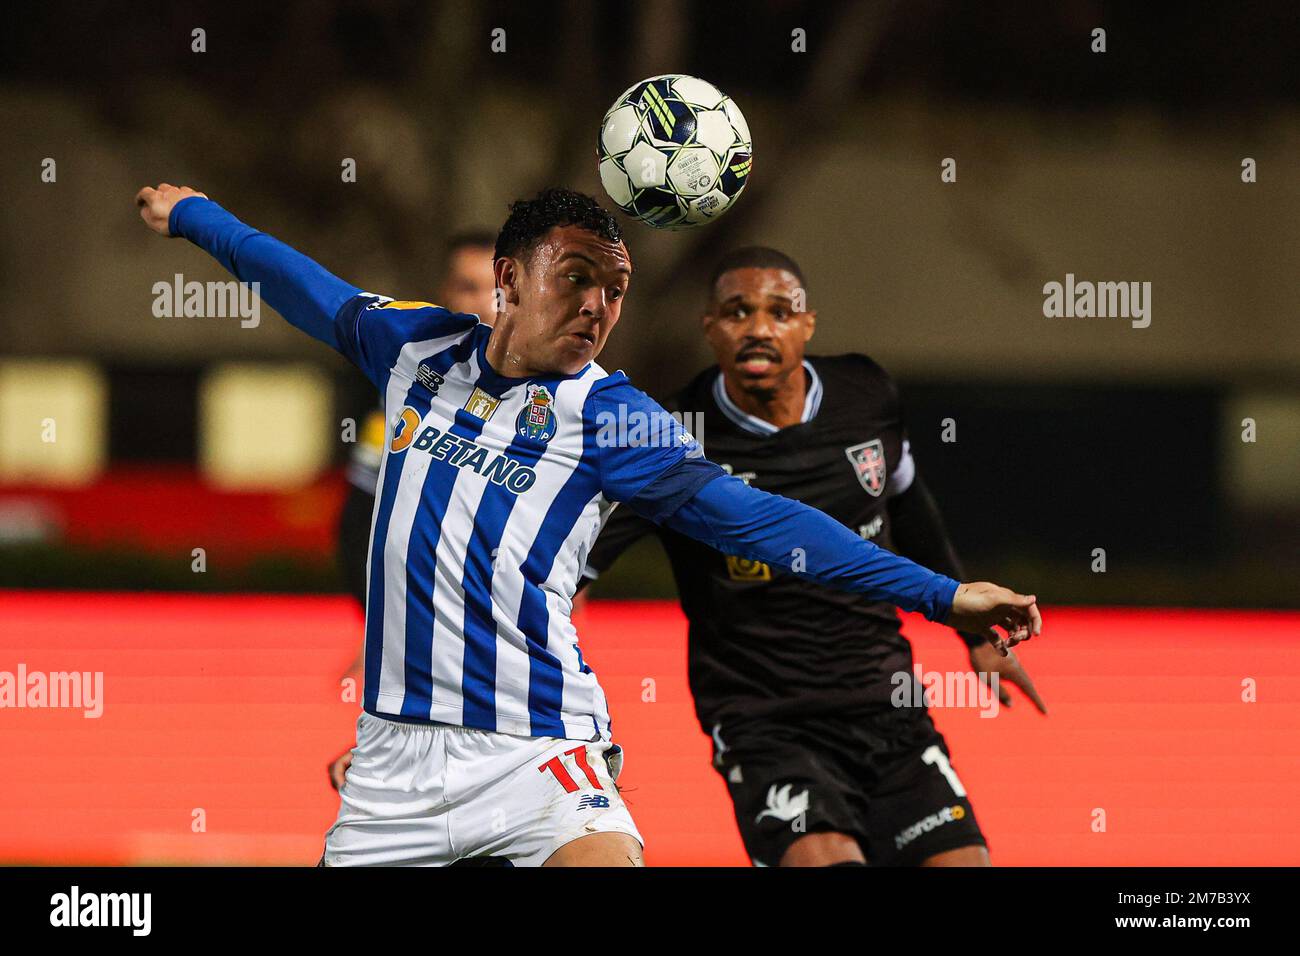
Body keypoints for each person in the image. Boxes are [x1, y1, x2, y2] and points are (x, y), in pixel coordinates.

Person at [135, 182, 1041, 867]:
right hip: (390, 766)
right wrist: (196, 216)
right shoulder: (414, 349)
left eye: (614, 288)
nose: (599, 308)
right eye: (576, 280)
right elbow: (296, 281)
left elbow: (764, 521)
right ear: (507, 280)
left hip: (541, 750)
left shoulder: (616, 418)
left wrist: (942, 593)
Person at [579, 246, 1047, 866]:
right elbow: (573, 566)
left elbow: (908, 507)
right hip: (763, 719)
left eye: (780, 312)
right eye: (738, 312)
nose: (759, 329)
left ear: (808, 325)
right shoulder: (672, 440)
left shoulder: (866, 394)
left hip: (885, 702)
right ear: (710, 328)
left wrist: (977, 637)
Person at [329, 232, 497, 790]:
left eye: (490, 288)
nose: (476, 303)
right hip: (427, 641)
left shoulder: (558, 394)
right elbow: (358, 517)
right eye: (464, 286)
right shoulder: (408, 388)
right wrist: (379, 619)